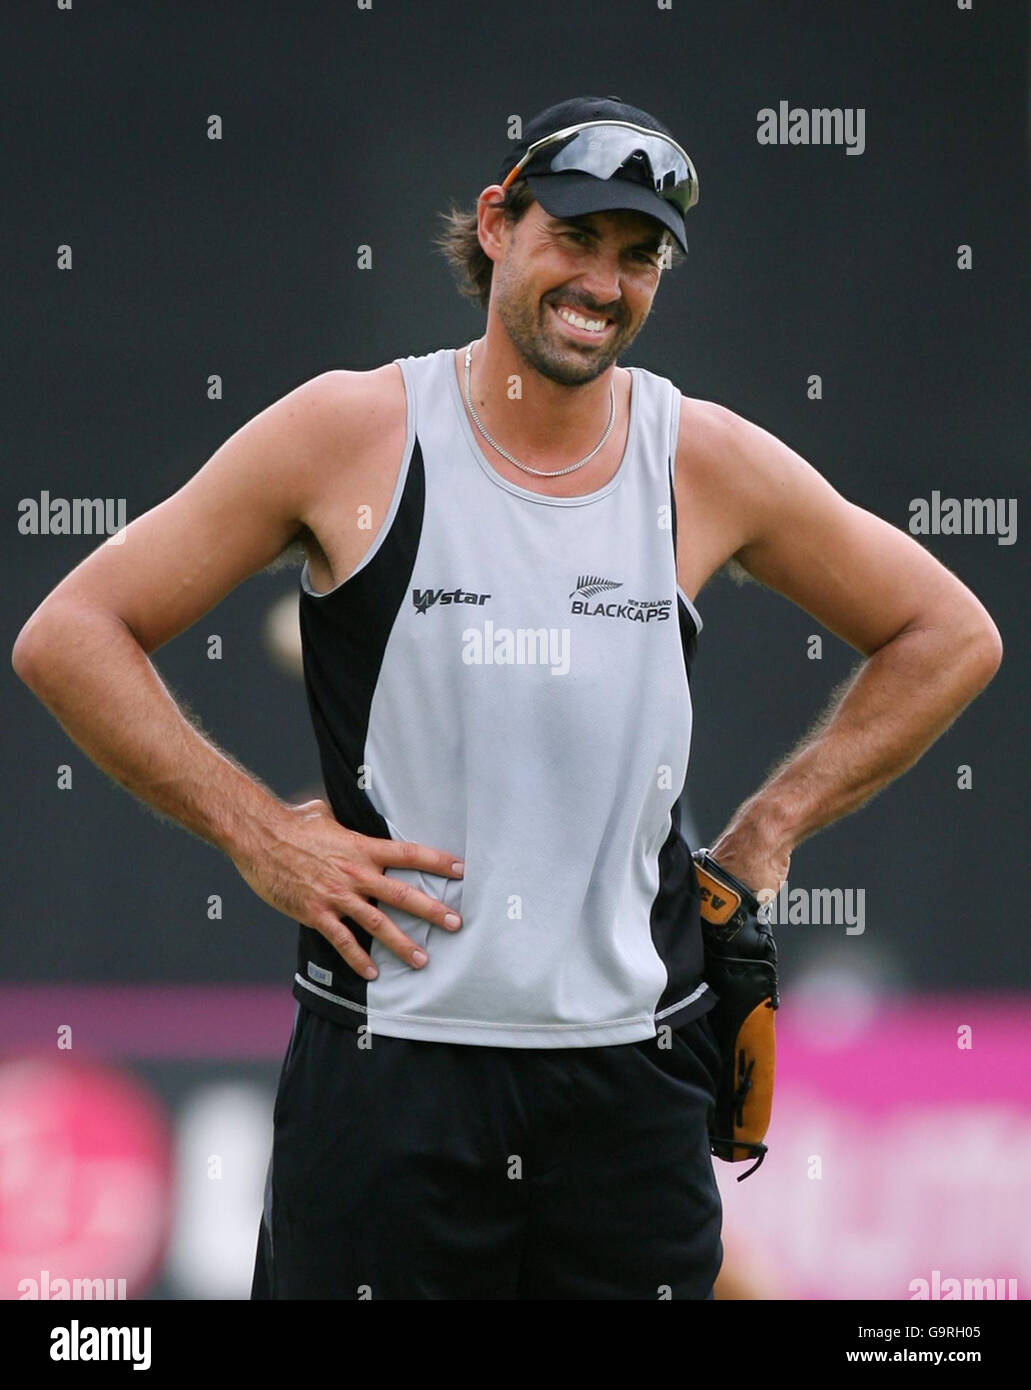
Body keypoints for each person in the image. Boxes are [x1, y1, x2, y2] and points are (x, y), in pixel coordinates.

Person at [12, 95, 1001, 1300]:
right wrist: (257, 831)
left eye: (639, 257)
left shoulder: (698, 457)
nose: (604, 281)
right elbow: (71, 633)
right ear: (494, 223)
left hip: (626, 1092)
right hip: (389, 1085)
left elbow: (947, 633)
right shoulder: (350, 431)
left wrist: (767, 831)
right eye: (574, 237)